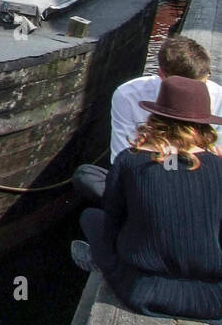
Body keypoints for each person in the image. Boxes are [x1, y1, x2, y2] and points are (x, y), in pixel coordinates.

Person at [73, 76, 222, 325]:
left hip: (145, 291)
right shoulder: (218, 167)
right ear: (202, 126)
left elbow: (113, 223)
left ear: (157, 117)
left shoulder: (129, 161)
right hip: (213, 299)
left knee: (90, 217)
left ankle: (97, 261)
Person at [73, 36, 222, 203]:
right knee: (87, 176)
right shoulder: (128, 95)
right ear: (161, 75)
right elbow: (121, 159)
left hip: (194, 177)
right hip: (149, 175)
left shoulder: (217, 96)